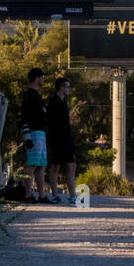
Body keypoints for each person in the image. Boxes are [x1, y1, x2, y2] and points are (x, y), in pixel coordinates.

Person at [20, 67, 51, 203]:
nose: (43, 79)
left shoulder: (37, 94)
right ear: (37, 78)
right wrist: (26, 134)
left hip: (41, 132)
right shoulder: (29, 94)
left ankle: (42, 195)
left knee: (41, 165)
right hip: (33, 132)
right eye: (41, 77)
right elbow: (25, 115)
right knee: (31, 165)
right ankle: (28, 195)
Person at [46, 75, 77, 205]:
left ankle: (73, 196)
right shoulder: (53, 102)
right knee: (55, 166)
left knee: (71, 165)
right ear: (61, 87)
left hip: (67, 139)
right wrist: (54, 138)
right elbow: (51, 121)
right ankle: (54, 194)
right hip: (57, 139)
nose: (69, 89)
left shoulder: (64, 102)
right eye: (68, 87)